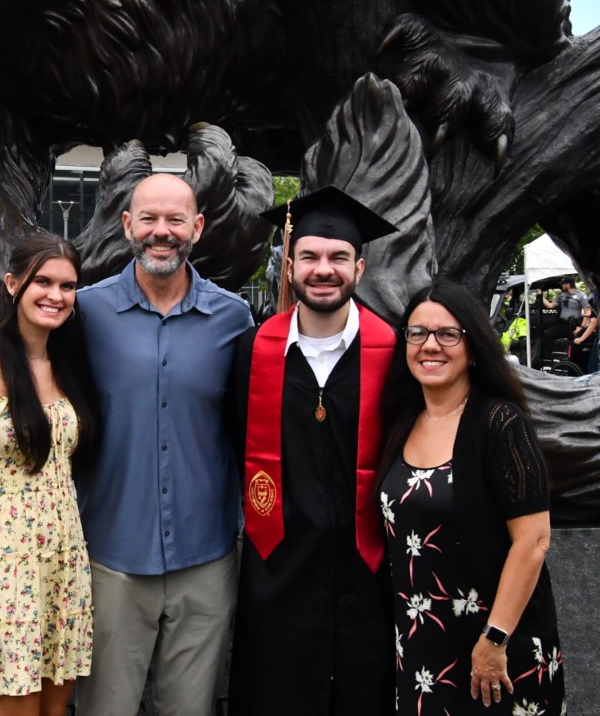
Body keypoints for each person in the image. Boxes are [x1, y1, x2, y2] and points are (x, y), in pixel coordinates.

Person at [75, 174, 252, 716]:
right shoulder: (84, 314)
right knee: (107, 707)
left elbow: (249, 430)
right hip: (111, 556)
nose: (162, 232)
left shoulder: (233, 318)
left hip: (206, 556)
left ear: (197, 228)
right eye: (149, 218)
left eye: (176, 220)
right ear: (127, 225)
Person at [227, 185, 399, 716]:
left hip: (372, 574)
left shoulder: (395, 355)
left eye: (338, 257)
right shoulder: (253, 352)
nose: (323, 269)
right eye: (310, 257)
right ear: (289, 266)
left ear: (360, 268)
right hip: (278, 568)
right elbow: (236, 443)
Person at [378, 280, 565, 715]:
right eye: (417, 332)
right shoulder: (403, 421)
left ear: (474, 346)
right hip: (422, 645)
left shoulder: (501, 424)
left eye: (448, 334)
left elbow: (533, 541)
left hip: (496, 650)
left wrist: (495, 638)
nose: (430, 346)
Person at [0, 232, 101, 715]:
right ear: (13, 284)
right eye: (42, 282)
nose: (55, 295)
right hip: (4, 572)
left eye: (68, 286)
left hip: (64, 566)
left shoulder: (67, 366)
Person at [539, 279, 586, 362]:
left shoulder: (581, 295)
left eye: (563, 284)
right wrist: (540, 296)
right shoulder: (562, 296)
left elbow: (587, 312)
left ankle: (570, 362)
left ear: (568, 284)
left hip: (574, 325)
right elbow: (550, 305)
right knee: (547, 334)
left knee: (573, 344)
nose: (562, 286)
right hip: (562, 324)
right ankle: (551, 359)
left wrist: (581, 327)